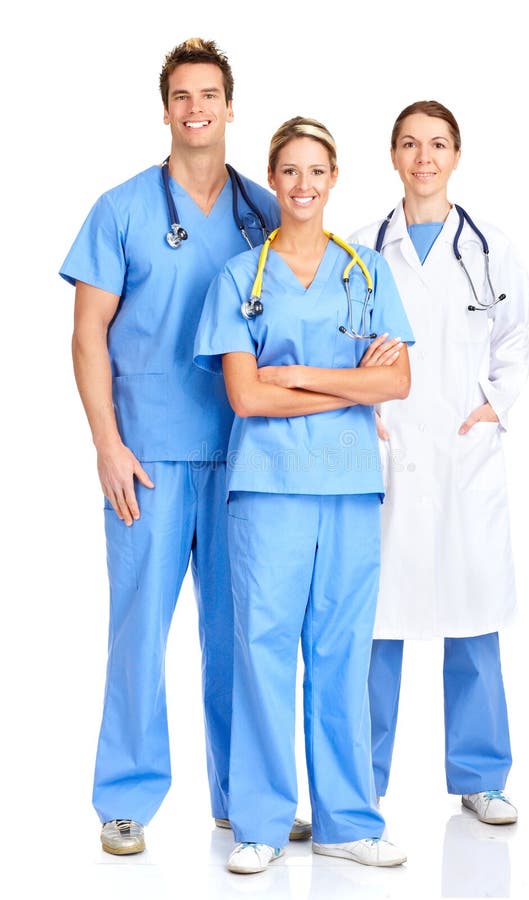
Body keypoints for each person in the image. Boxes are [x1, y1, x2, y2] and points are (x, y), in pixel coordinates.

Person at [59, 38, 284, 855]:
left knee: (242, 637)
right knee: (138, 633)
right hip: (147, 459)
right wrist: (107, 445)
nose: (196, 108)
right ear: (166, 110)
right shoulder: (121, 210)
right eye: (182, 96)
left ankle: (243, 802)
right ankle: (125, 798)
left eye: (209, 95)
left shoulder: (264, 212)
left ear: (230, 107)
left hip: (244, 458)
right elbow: (87, 336)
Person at [193, 116, 414, 874]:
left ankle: (347, 821)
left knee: (342, 652)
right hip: (268, 487)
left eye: (316, 170)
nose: (303, 184)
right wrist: (348, 387)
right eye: (289, 170)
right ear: (273, 178)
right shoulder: (240, 278)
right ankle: (259, 823)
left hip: (350, 486)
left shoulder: (366, 272)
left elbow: (397, 381)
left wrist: (299, 375)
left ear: (334, 178)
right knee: (261, 649)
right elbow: (246, 399)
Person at [349, 100, 529, 826]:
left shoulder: (491, 250)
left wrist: (493, 404)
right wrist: (363, 410)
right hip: (389, 453)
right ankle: (360, 782)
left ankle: (482, 777)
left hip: (463, 456)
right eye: (409, 144)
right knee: (375, 626)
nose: (423, 157)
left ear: (456, 156)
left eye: (437, 144)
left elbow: (515, 338)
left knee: (473, 615)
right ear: (393, 156)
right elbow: (340, 340)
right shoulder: (362, 249)